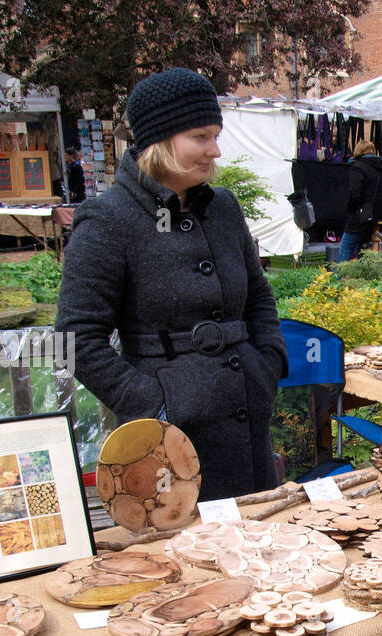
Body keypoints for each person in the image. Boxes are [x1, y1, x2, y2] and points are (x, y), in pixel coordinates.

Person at [56, 67, 288, 501]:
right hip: (167, 441)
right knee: (186, 561)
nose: (215, 150)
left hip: (245, 415)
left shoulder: (222, 208)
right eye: (201, 137)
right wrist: (152, 403)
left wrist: (268, 362)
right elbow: (74, 339)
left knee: (255, 548)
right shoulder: (108, 219)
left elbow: (258, 295)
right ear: (161, 140)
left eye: (216, 135)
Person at [337, 140, 382, 262]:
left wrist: (350, 209)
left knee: (346, 247)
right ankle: (363, 277)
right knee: (363, 249)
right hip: (377, 216)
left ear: (358, 151)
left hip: (360, 215)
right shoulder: (381, 167)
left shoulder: (358, 168)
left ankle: (339, 278)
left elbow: (355, 193)